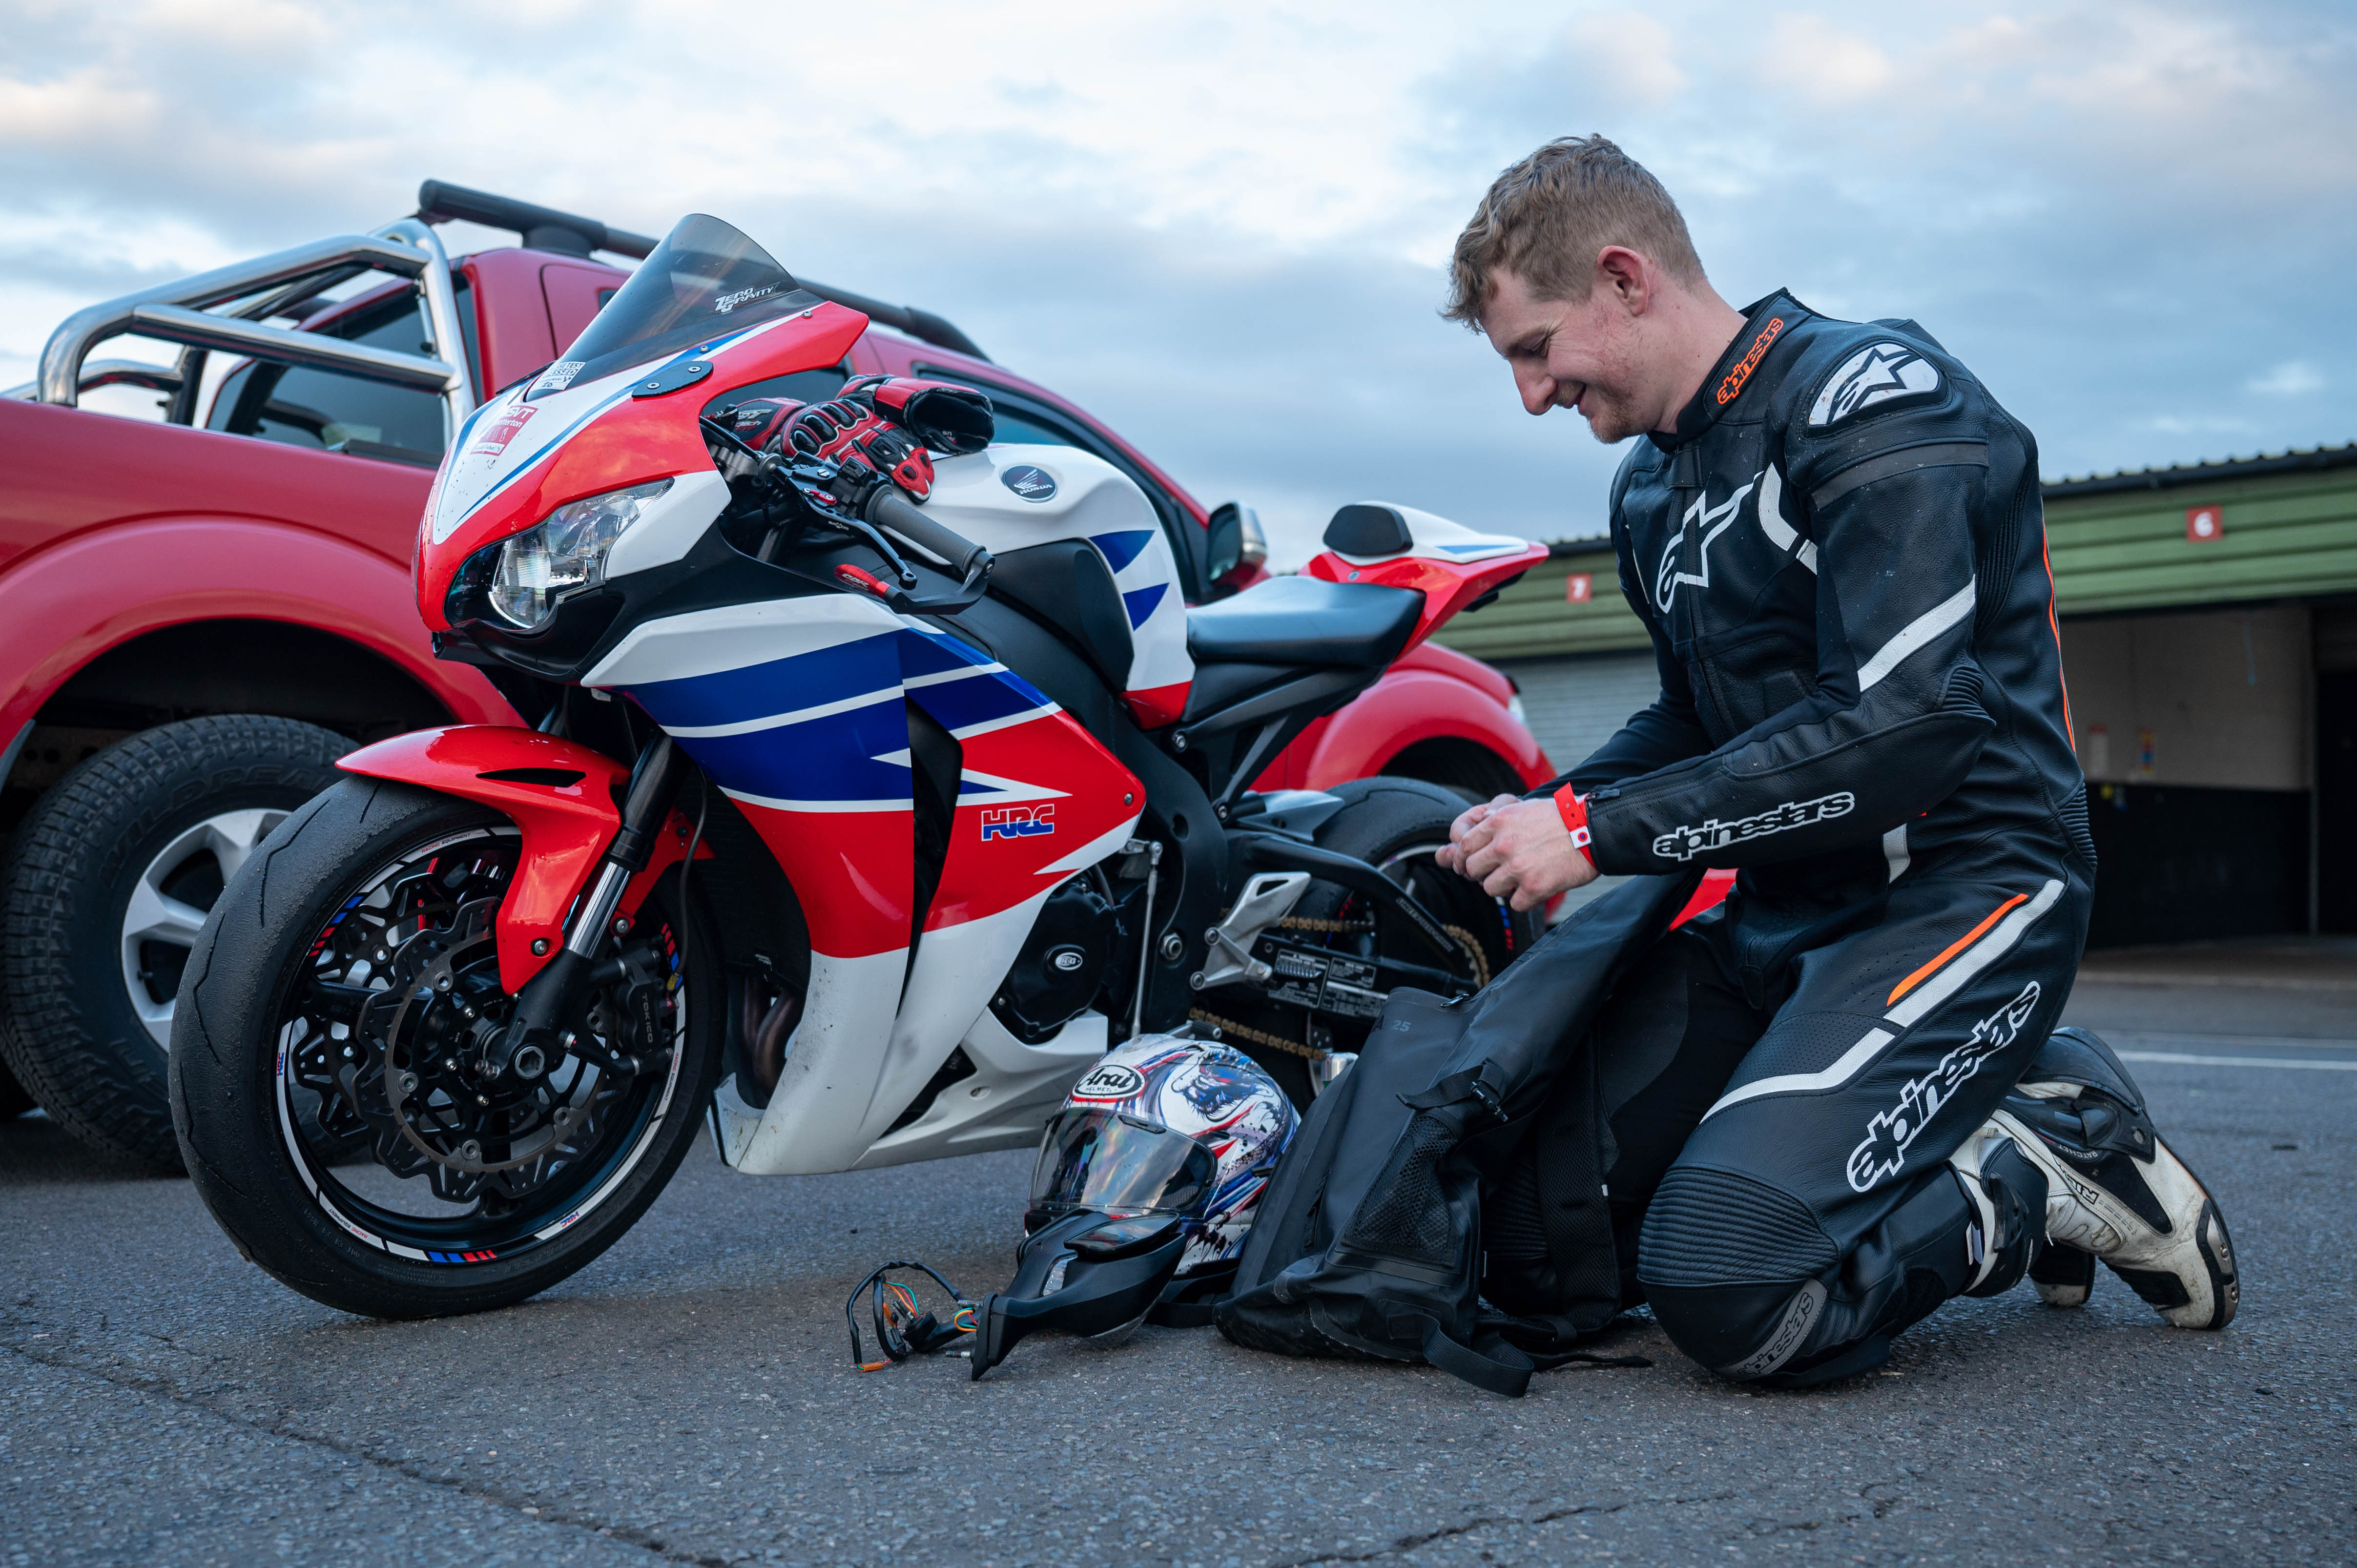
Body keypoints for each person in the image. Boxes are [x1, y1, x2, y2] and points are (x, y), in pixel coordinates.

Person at [1434, 136, 2238, 1385]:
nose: (1532, 396)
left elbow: (1901, 730)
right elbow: (1694, 723)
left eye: (1535, 350)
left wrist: (1593, 835)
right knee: (1534, 1242)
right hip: (1785, 914)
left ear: (1623, 279)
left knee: (1729, 1280)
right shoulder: (1647, 490)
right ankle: (2002, 1088)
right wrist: (1542, 810)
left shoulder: (1877, 398)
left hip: (1968, 888)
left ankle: (2032, 1162)